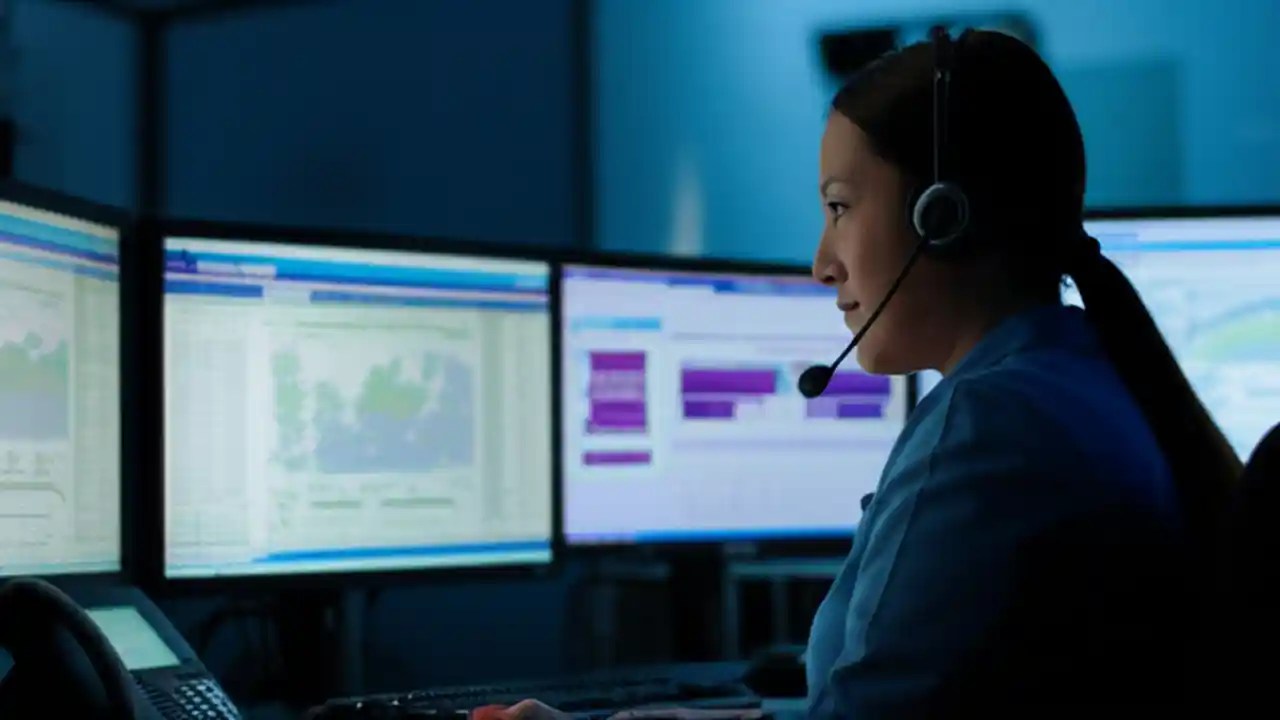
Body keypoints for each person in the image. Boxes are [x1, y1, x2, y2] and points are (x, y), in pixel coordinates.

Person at [490, 27, 1241, 720]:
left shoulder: (984, 429)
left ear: (940, 216)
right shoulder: (1089, 375)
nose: (823, 264)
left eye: (840, 207)